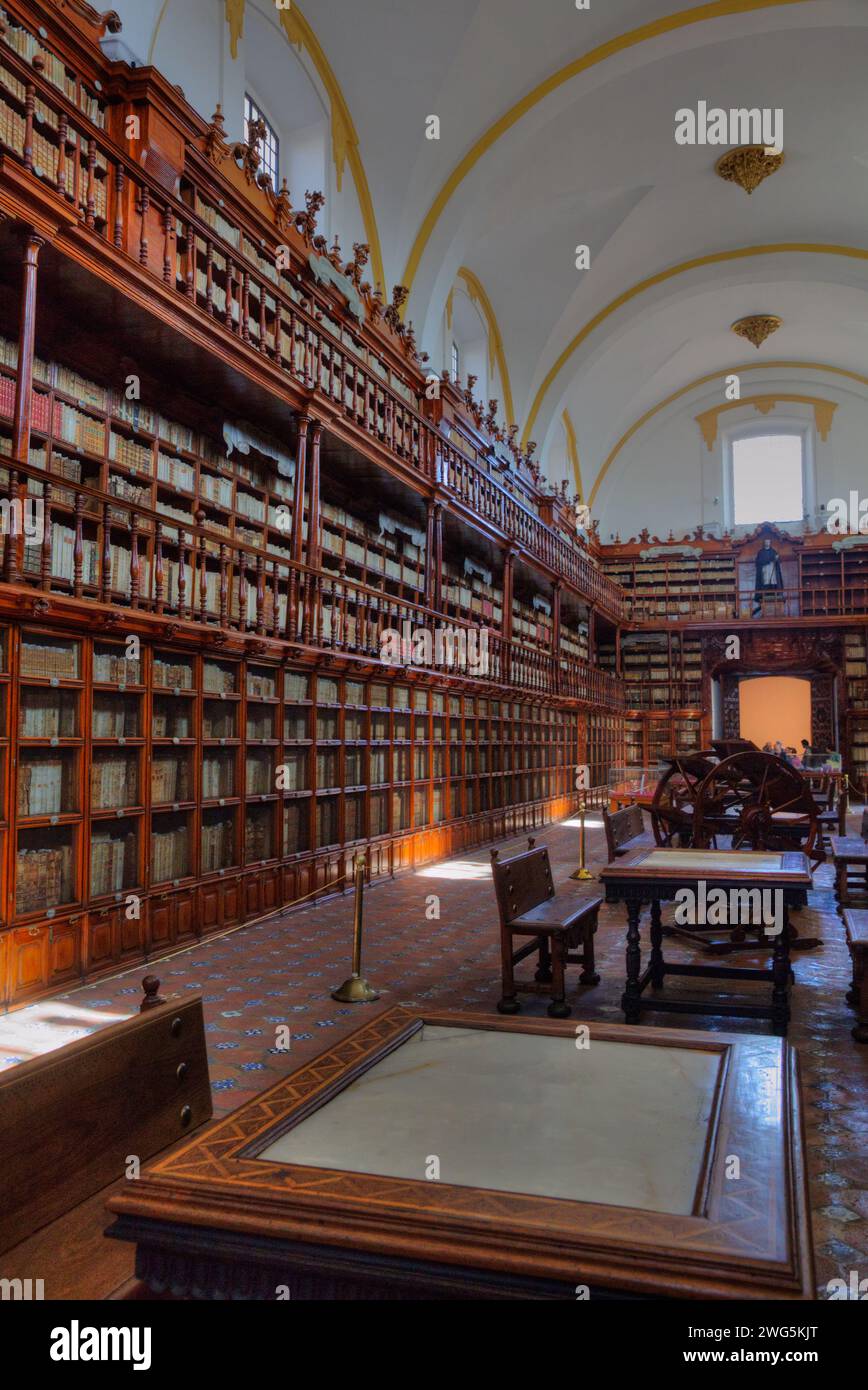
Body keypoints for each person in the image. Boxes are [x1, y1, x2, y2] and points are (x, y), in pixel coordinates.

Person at [753, 538, 783, 616]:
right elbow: (758, 562)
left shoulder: (773, 551)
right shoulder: (761, 552)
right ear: (764, 543)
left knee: (773, 581)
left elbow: (777, 563)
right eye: (766, 542)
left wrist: (776, 559)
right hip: (765, 571)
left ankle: (773, 590)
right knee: (765, 580)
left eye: (769, 542)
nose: (767, 543)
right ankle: (765, 592)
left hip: (771, 570)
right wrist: (767, 561)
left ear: (770, 543)